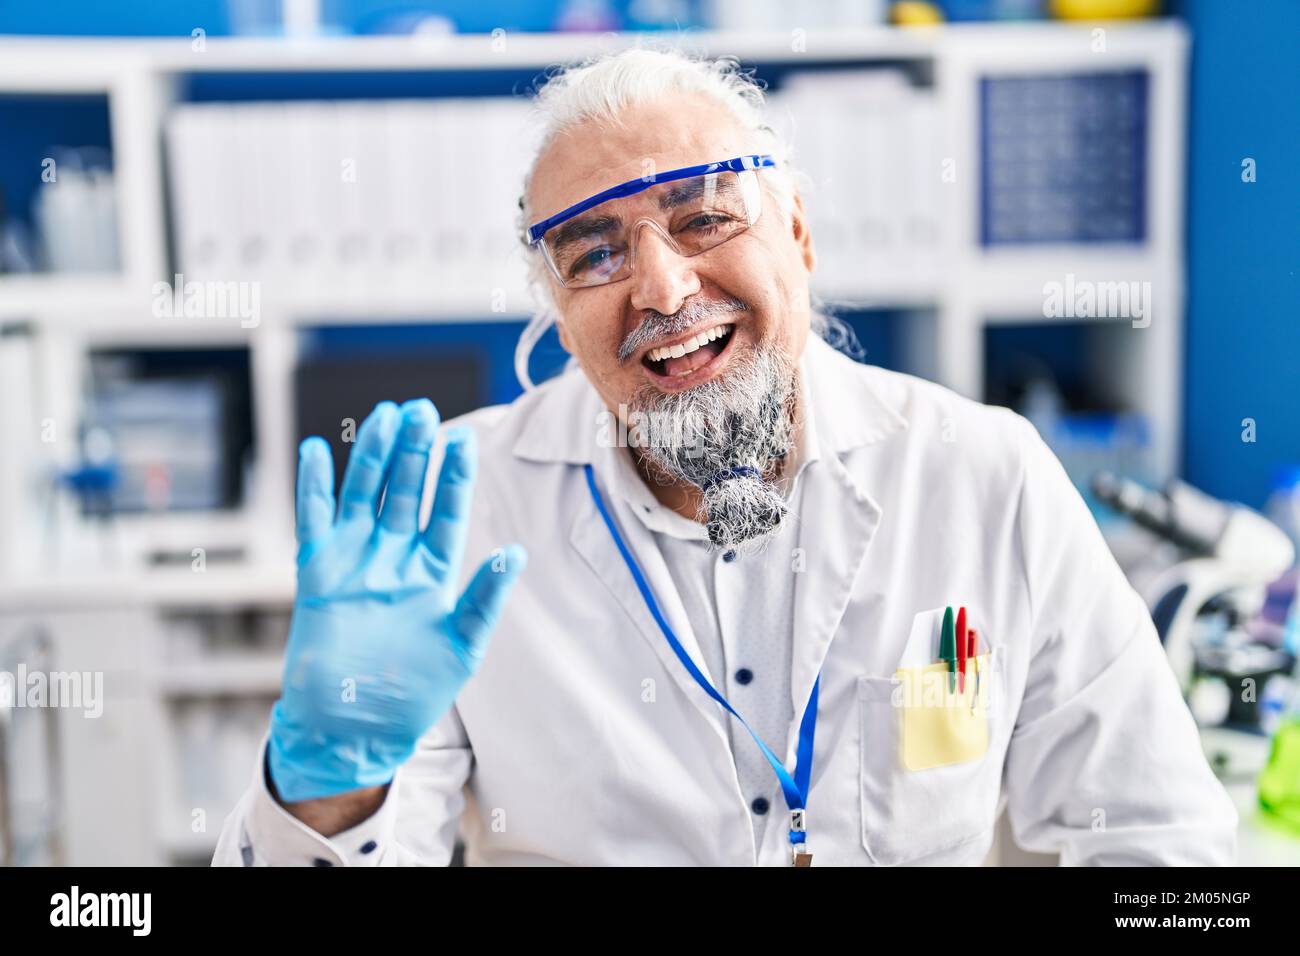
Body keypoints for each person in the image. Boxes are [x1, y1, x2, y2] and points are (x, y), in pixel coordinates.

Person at [213, 47, 1236, 866]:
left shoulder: (984, 478)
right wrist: (329, 779)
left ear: (797, 234)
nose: (660, 288)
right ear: (559, 317)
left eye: (704, 216)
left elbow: (1159, 843)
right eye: (594, 253)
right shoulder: (459, 514)